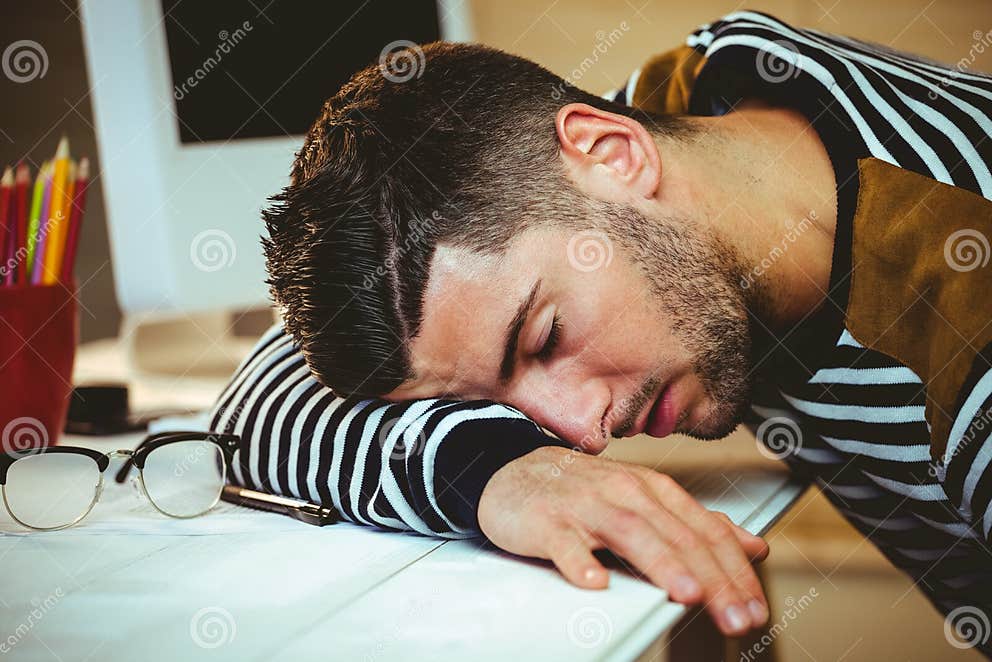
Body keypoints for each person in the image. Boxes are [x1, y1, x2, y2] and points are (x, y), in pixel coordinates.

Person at [209, 10, 992, 649]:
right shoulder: (686, 102)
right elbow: (259, 399)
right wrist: (491, 470)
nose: (580, 434)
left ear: (617, 156)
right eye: (507, 401)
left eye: (543, 338)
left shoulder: (969, 356)